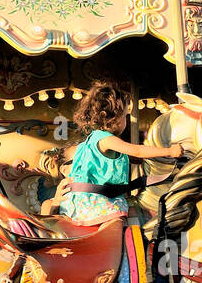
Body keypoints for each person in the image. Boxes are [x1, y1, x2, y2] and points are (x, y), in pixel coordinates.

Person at [43, 79, 182, 220]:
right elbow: (137, 151)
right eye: (125, 116)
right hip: (95, 203)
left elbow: (132, 157)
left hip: (80, 201)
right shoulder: (106, 139)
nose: (125, 121)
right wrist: (169, 151)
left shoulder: (90, 140)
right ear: (114, 117)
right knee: (121, 220)